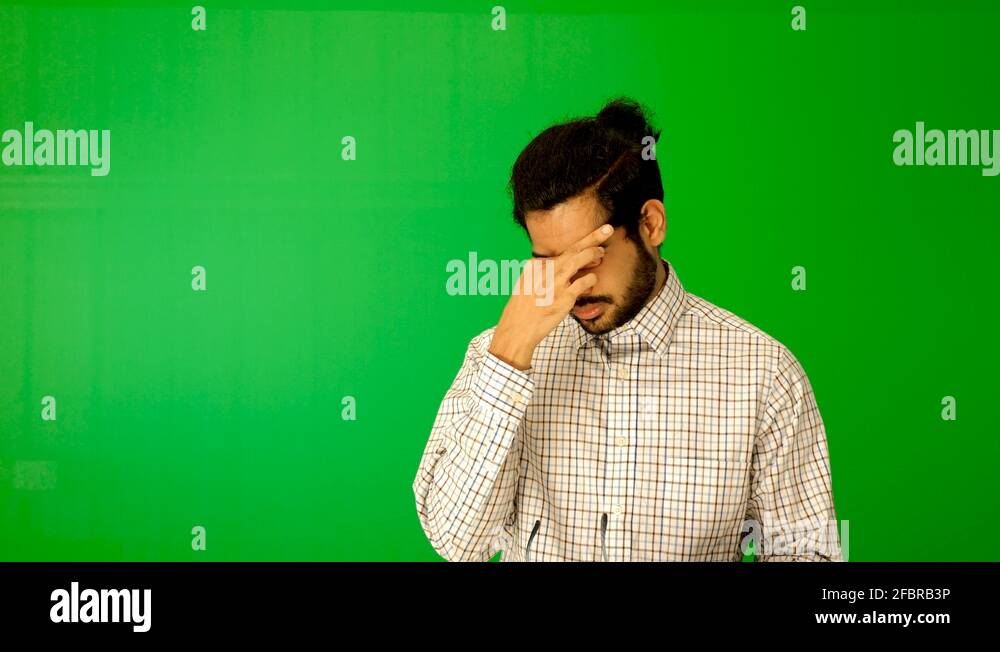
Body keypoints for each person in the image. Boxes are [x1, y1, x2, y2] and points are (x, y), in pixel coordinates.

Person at [413, 97, 842, 562]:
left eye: (590, 255)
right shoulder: (497, 357)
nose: (574, 285)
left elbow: (805, 554)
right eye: (549, 262)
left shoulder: (765, 374)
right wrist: (509, 355)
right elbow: (457, 543)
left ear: (651, 224)